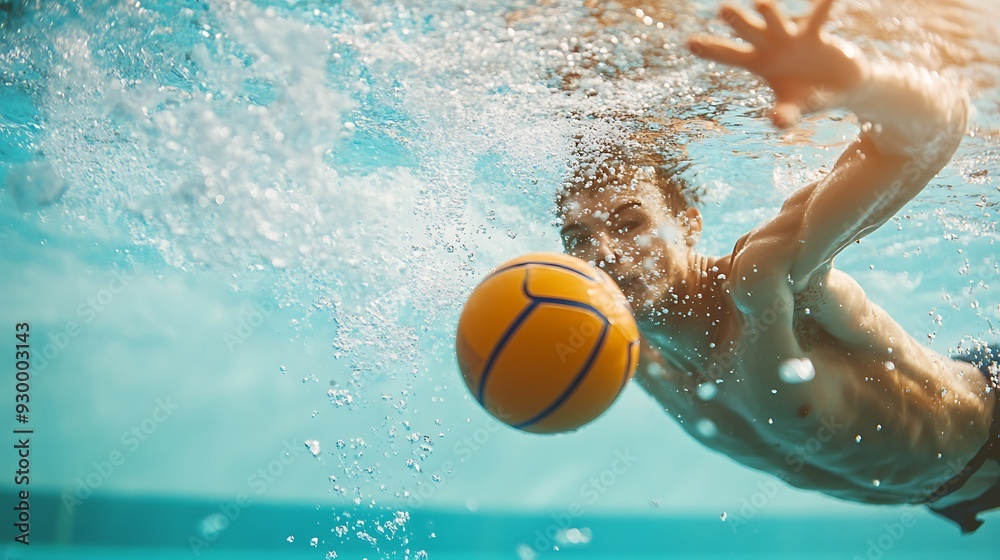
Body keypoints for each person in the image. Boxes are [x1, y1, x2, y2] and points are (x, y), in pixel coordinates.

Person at [557, 0, 998, 532]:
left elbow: (937, 125)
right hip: (952, 494)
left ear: (689, 223)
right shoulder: (624, 345)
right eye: (579, 238)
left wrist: (858, 81)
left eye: (630, 223)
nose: (604, 253)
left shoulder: (762, 280)